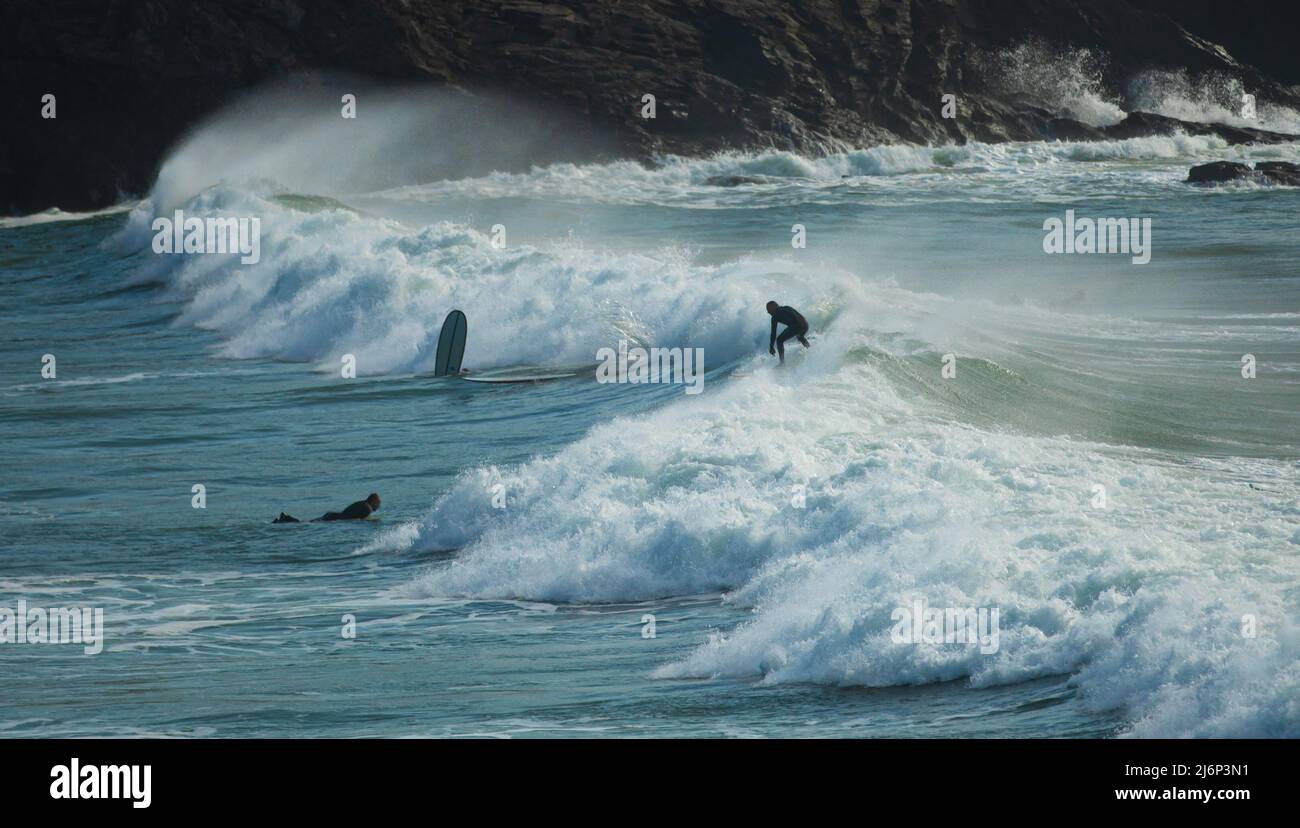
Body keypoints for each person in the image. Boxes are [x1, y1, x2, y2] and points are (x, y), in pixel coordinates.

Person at [274, 493, 381, 523]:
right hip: (334, 518)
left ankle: (286, 518)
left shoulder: (362, 503)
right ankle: (286, 518)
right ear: (373, 501)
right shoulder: (367, 508)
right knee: (306, 523)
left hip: (332, 515)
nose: (378, 506)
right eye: (378, 503)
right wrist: (375, 520)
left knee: (308, 522)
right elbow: (362, 520)